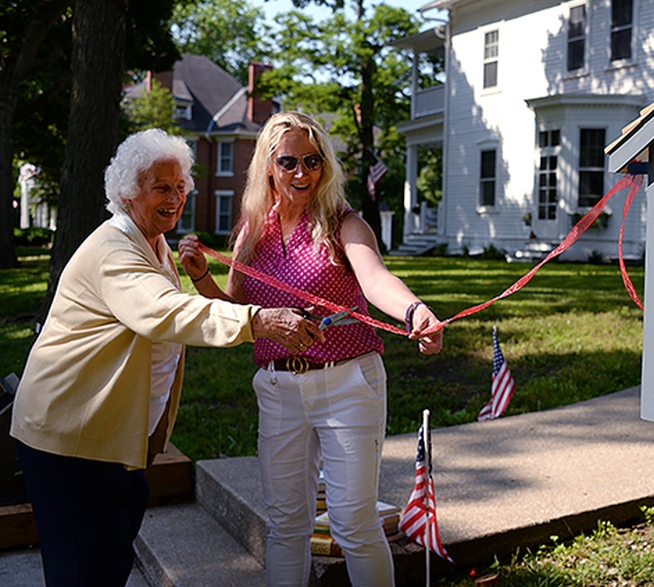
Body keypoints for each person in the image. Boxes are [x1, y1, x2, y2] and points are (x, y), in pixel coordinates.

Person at [10, 128, 323, 587]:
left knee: (109, 564)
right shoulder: (113, 249)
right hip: (70, 440)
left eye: (180, 187)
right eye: (161, 187)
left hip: (113, 442)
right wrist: (259, 321)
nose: (175, 198)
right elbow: (163, 311)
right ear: (126, 194)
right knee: (82, 573)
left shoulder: (153, 244)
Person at [178, 111, 443, 587]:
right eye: (289, 162)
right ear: (268, 167)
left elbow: (375, 278)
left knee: (354, 525)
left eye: (312, 161)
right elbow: (234, 310)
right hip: (279, 387)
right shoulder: (251, 233)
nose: (302, 173)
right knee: (286, 526)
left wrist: (413, 311)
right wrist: (200, 275)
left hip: (348, 381)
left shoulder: (343, 222)